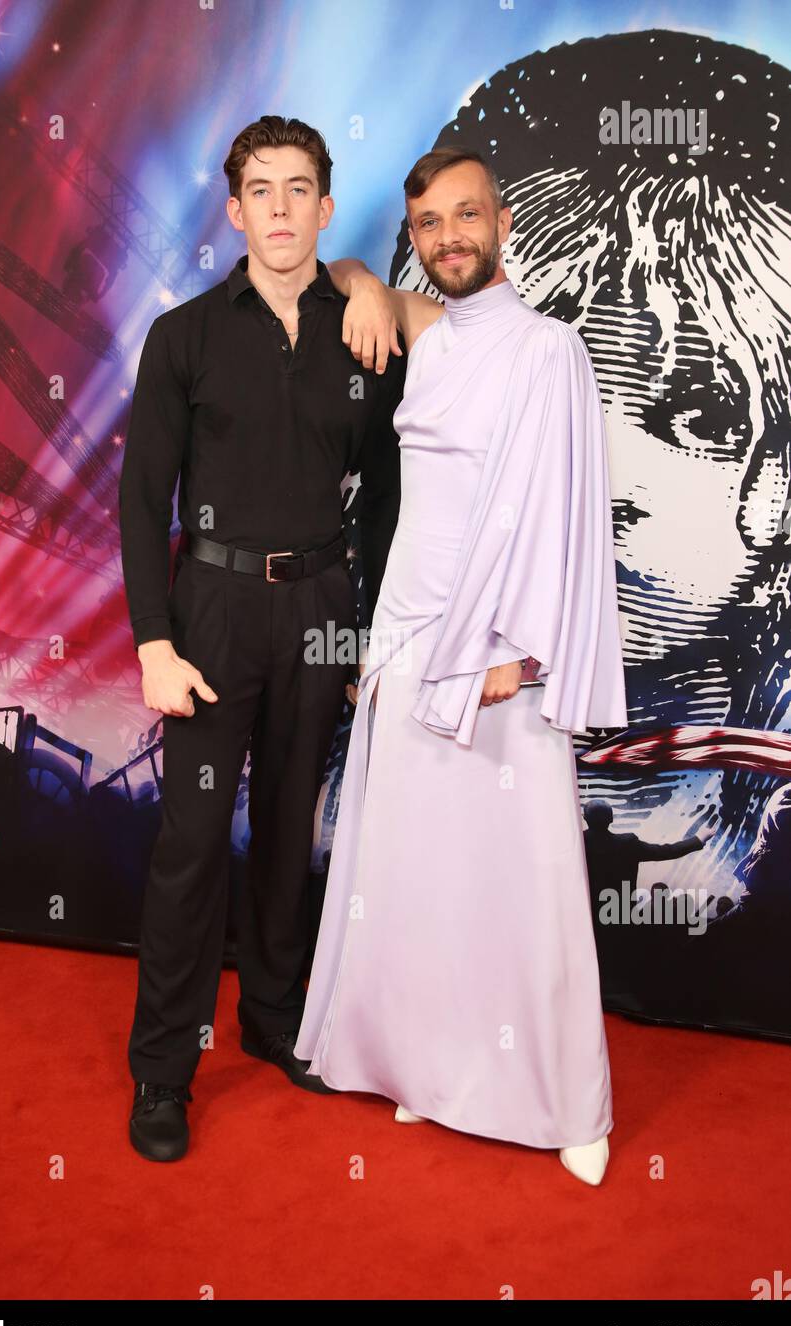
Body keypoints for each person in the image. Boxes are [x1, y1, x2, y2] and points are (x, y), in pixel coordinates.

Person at [294, 146, 629, 1186]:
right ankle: (430, 1073)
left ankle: (570, 1104)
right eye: (429, 221)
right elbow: (348, 274)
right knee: (415, 880)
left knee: (527, 886)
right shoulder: (423, 330)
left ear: (503, 222)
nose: (448, 235)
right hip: (405, 641)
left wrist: (518, 654)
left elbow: (564, 515)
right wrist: (357, 285)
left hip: (495, 655)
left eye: (465, 216)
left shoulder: (548, 352)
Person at [118, 115, 405, 1162]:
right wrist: (154, 640)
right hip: (213, 615)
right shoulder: (183, 336)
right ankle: (161, 1071)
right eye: (260, 190)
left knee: (292, 832)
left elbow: (387, 492)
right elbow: (141, 497)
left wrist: (372, 623)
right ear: (232, 209)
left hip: (323, 609)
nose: (280, 208)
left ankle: (274, 1021)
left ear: (325, 209)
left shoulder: (366, 330)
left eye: (299, 190)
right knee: (192, 848)